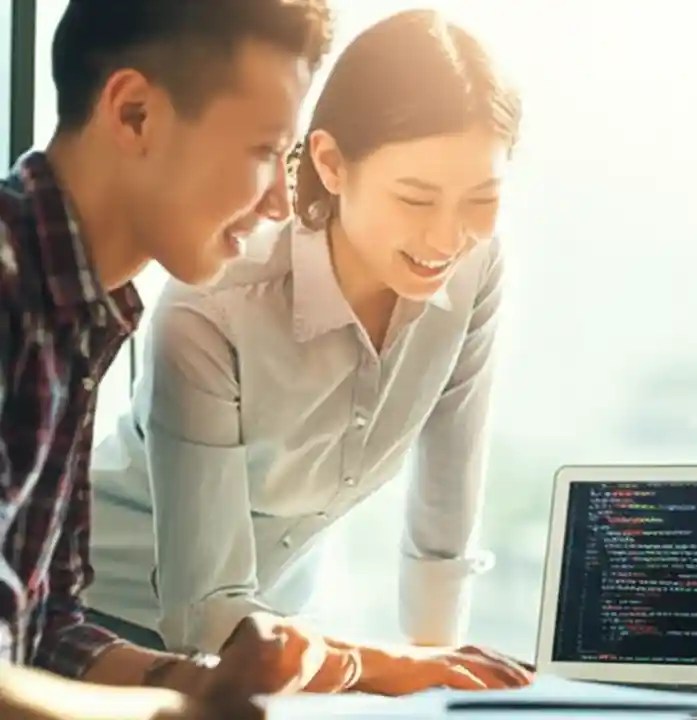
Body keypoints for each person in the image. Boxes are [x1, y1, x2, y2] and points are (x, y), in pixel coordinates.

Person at [87, 8, 532, 696]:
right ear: (329, 162)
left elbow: (443, 523)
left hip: (288, 641)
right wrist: (390, 671)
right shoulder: (214, 299)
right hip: (107, 627)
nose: (449, 236)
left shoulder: (475, 266)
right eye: (415, 197)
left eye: (482, 198)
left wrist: (444, 680)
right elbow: (203, 613)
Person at [0, 0, 336, 717]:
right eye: (261, 152)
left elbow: (46, 632)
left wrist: (200, 680)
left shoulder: (82, 314)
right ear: (135, 115)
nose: (281, 199)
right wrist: (170, 715)